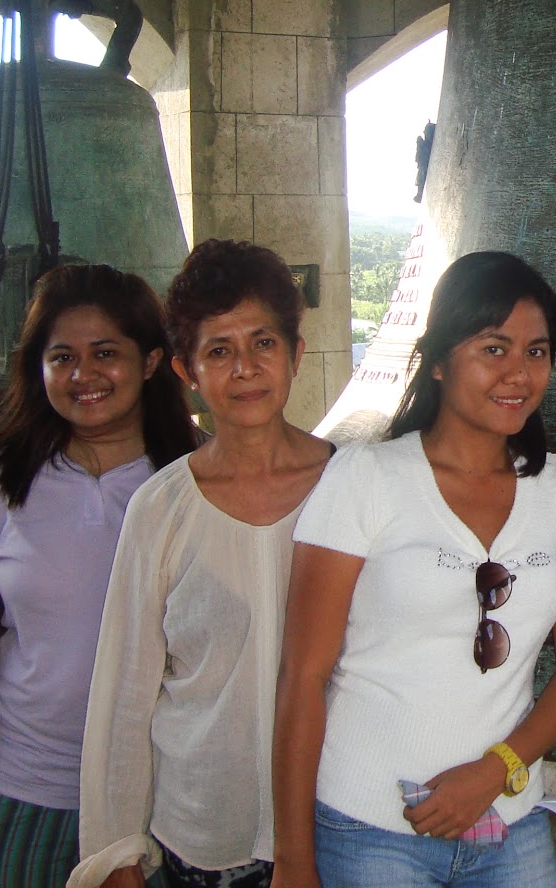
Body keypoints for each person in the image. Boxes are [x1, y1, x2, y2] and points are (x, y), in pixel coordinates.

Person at [271, 251, 556, 888]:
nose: (518, 374)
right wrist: (293, 861)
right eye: (494, 348)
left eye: (537, 352)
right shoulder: (365, 478)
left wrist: (497, 768)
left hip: (509, 816)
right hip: (370, 826)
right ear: (442, 358)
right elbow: (303, 677)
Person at [71, 240, 333, 888]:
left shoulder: (352, 490)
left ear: (295, 354)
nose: (244, 367)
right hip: (205, 836)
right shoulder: (161, 509)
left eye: (262, 343)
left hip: (341, 826)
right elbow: (126, 692)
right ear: (187, 371)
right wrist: (115, 855)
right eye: (219, 350)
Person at [0, 265, 196, 888]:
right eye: (63, 357)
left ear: (152, 361)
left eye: (105, 353)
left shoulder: (198, 480)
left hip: (164, 803)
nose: (83, 375)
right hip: (19, 788)